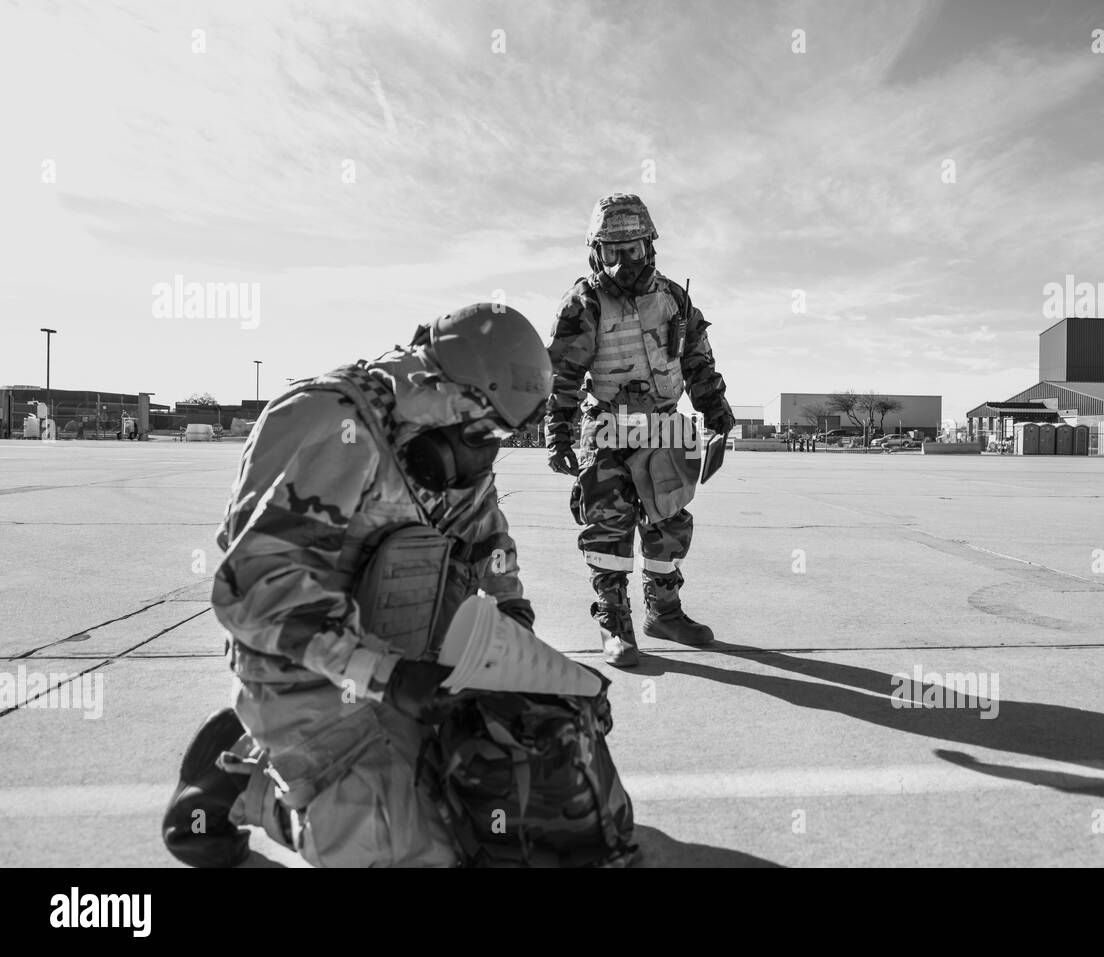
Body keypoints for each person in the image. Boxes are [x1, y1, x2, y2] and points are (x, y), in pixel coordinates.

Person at [161, 304, 553, 868]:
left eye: (499, 433)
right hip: (306, 667)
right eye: (483, 429)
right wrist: (387, 678)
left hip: (404, 660)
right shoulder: (326, 421)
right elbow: (259, 590)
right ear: (439, 388)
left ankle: (297, 759)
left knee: (520, 794)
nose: (487, 448)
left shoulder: (449, 437)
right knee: (413, 852)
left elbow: (486, 539)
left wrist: (513, 622)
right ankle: (248, 785)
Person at [545, 194, 734, 668]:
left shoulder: (674, 297)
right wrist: (559, 435)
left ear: (650, 246)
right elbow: (562, 378)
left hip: (666, 431)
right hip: (608, 429)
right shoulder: (582, 303)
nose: (624, 261)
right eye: (612, 251)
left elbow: (697, 361)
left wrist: (716, 410)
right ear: (596, 252)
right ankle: (615, 622)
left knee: (669, 524)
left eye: (632, 249)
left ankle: (664, 612)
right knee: (608, 529)